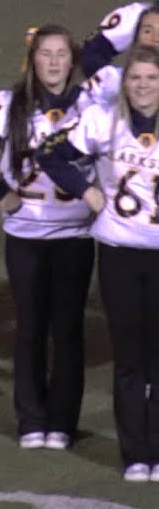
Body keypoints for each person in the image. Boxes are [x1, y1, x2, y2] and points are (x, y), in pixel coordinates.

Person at [0, 25, 104, 451]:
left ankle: (62, 423)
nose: (53, 62)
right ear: (32, 59)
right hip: (26, 236)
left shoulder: (91, 105)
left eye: (61, 55)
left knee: (68, 330)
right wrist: (0, 192)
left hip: (73, 235)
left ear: (72, 61)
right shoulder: (9, 104)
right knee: (31, 329)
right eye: (45, 54)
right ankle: (31, 419)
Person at [38, 43, 159, 482]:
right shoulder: (103, 119)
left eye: (151, 78)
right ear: (124, 83)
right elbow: (50, 153)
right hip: (120, 252)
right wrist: (87, 192)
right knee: (128, 358)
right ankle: (135, 455)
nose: (142, 85)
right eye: (135, 78)